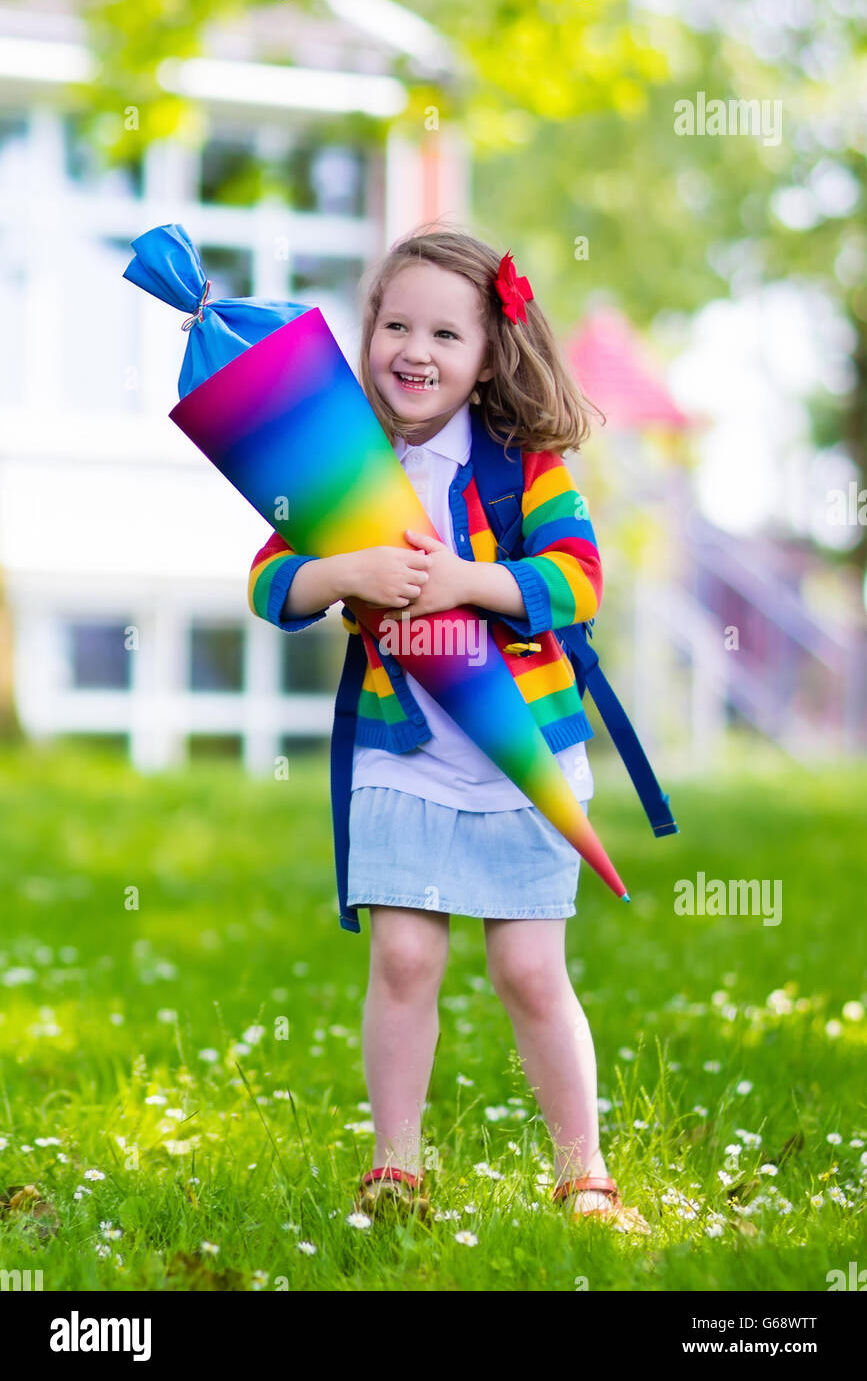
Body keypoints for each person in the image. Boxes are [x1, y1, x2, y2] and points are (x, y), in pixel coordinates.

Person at [247, 226, 650, 1235]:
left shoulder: (524, 467)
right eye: (393, 324)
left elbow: (578, 577)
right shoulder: (341, 466)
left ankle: (583, 1169)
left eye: (443, 331)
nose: (412, 349)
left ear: (487, 355)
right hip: (402, 756)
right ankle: (396, 1169)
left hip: (526, 764)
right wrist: (343, 574)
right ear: (366, 334)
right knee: (405, 963)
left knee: (527, 969)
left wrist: (473, 581)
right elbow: (268, 580)